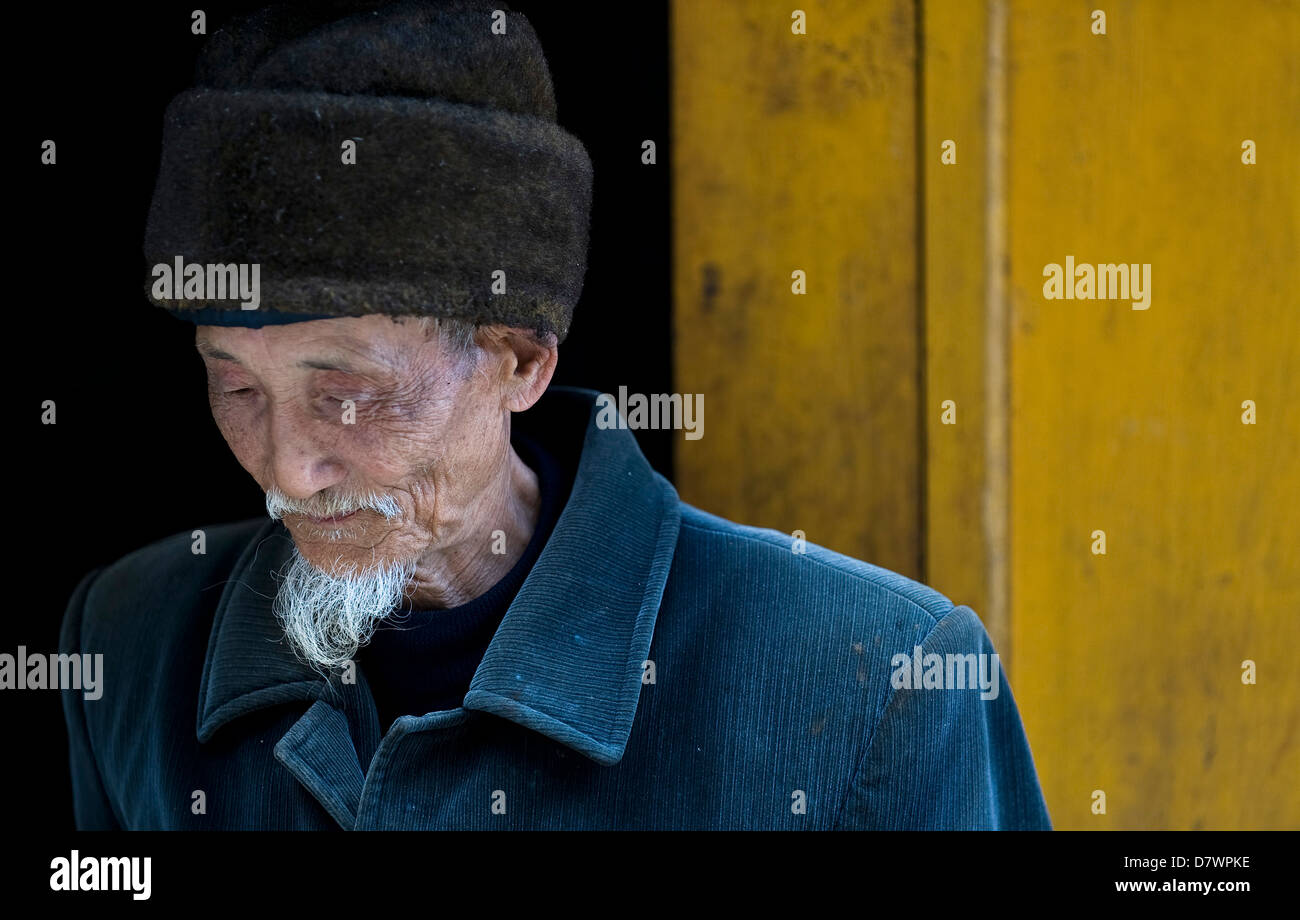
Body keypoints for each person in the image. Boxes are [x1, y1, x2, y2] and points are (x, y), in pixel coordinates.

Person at [60, 0, 1051, 830]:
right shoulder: (134, 638)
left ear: (520, 358)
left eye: (345, 391)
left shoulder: (882, 680)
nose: (287, 467)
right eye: (235, 384)